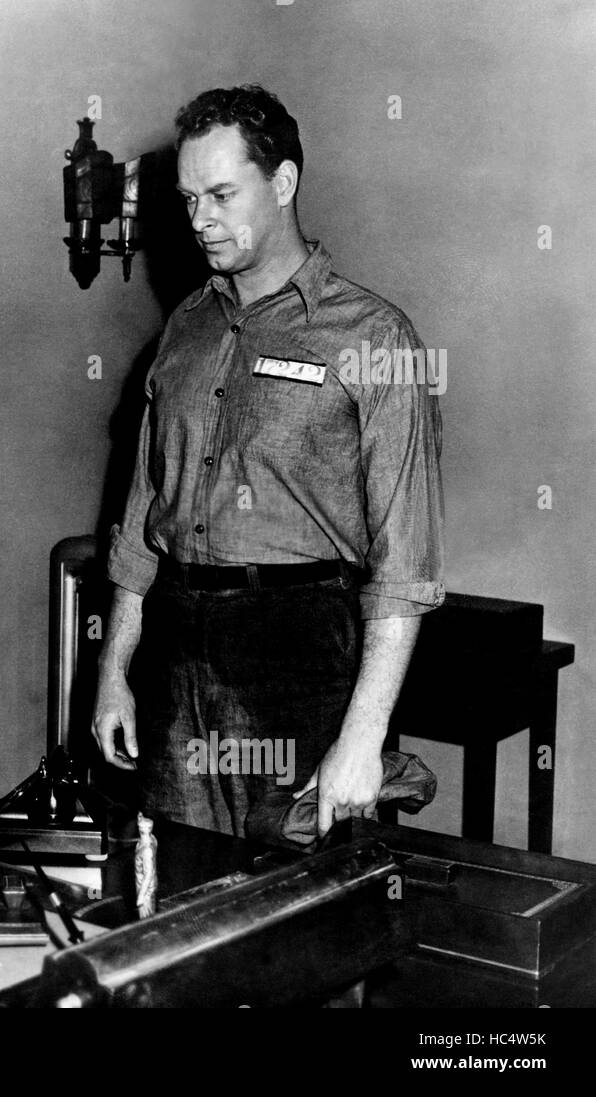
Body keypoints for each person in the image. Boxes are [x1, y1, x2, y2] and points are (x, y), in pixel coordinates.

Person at [92, 85, 443, 841]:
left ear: (282, 184)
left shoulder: (375, 338)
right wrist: (114, 670)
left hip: (300, 650)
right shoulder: (185, 326)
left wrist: (362, 739)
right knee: (175, 898)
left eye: (222, 194)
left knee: (294, 916)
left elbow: (404, 561)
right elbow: (139, 520)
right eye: (188, 198)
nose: (200, 220)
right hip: (176, 646)